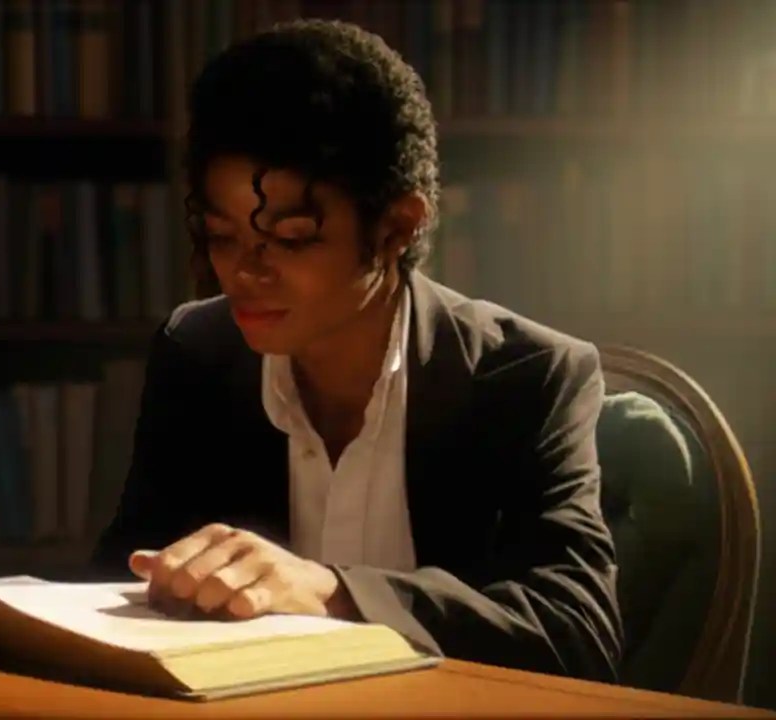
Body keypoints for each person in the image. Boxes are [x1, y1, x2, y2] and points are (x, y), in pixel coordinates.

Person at [92, 19, 623, 683]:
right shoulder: (197, 354)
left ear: (398, 225)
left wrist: (331, 592)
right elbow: (116, 584)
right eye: (221, 236)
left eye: (289, 239)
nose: (243, 274)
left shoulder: (526, 377)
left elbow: (576, 633)